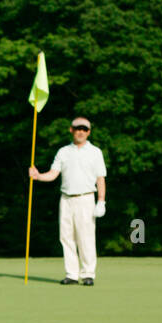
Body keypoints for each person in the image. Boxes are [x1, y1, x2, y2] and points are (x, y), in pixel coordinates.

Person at [28, 116, 106, 285]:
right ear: (71, 130)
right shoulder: (63, 152)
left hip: (86, 198)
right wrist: (38, 176)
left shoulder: (95, 152)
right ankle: (71, 274)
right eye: (77, 128)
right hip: (66, 199)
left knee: (86, 237)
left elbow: (100, 179)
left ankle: (88, 274)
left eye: (84, 129)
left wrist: (101, 201)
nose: (81, 132)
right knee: (66, 237)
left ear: (89, 132)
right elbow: (53, 174)